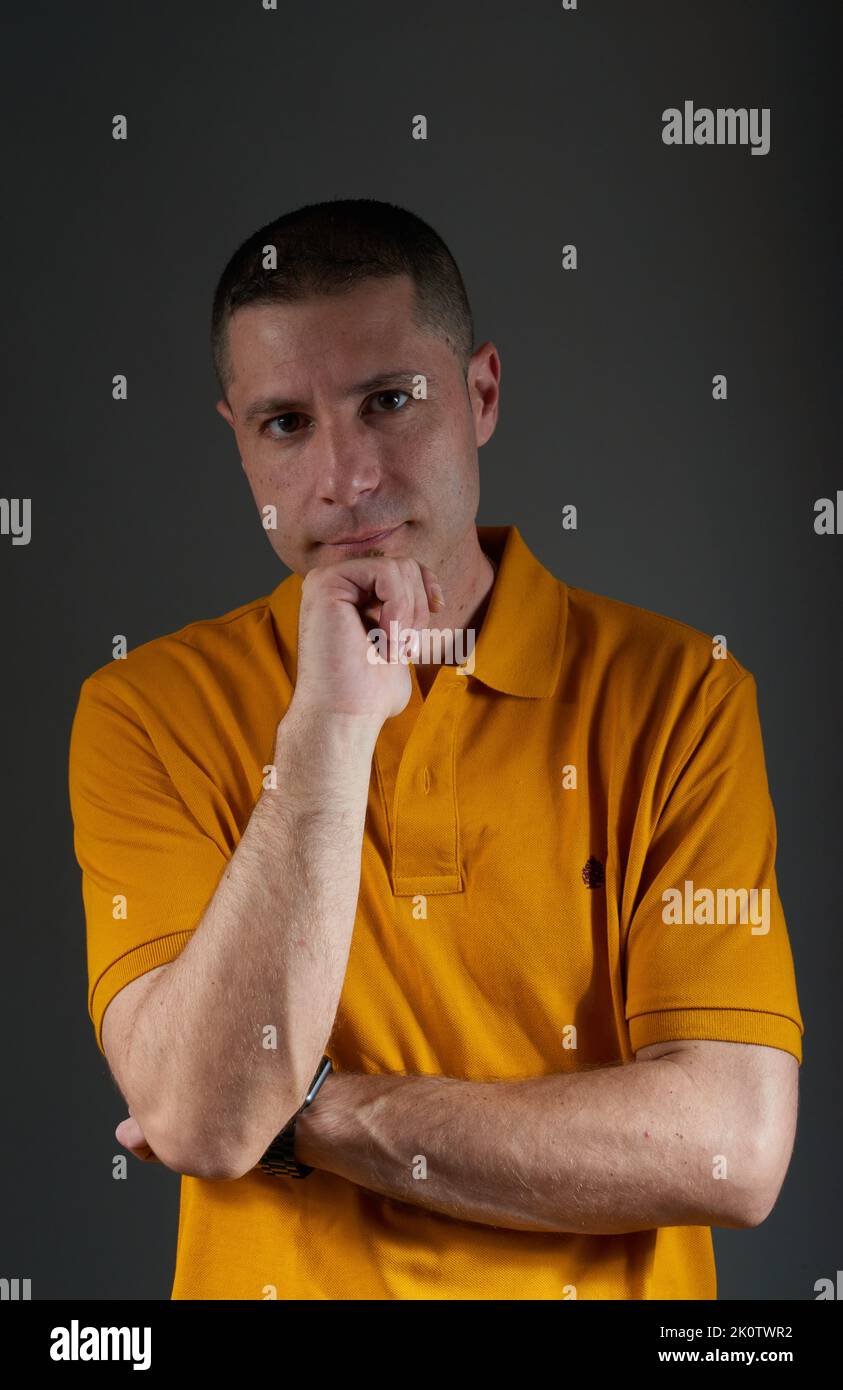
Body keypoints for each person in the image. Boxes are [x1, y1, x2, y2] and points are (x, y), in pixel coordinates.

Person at [69, 198, 803, 1300]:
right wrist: (327, 731)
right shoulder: (146, 709)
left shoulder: (681, 696)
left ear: (483, 393)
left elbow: (732, 1146)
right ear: (237, 439)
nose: (347, 476)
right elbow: (205, 1120)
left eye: (390, 401)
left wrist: (308, 1111)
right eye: (285, 424)